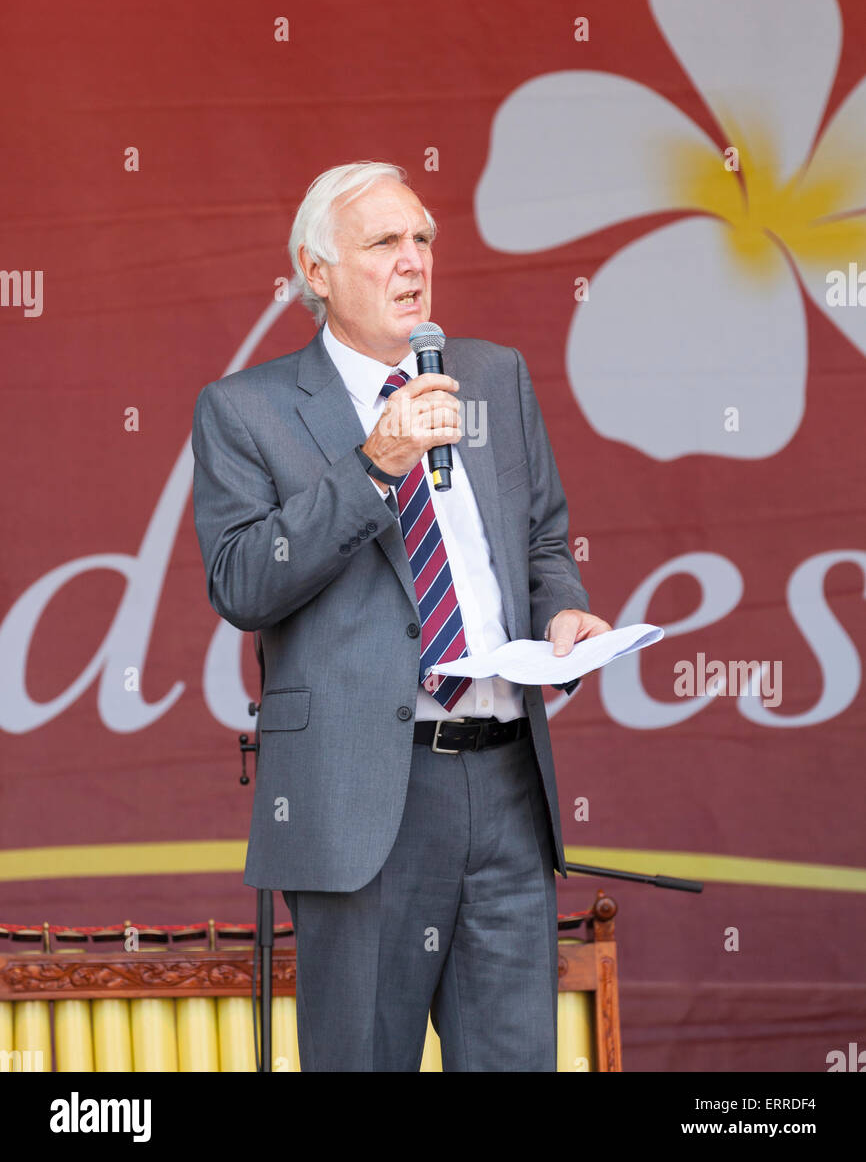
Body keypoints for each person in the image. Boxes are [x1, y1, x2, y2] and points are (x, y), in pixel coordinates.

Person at [191, 160, 611, 1071]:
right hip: (362, 797)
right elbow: (240, 584)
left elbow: (542, 542)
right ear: (316, 269)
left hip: (505, 787)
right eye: (383, 242)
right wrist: (374, 467)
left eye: (423, 238)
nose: (412, 260)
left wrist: (567, 614)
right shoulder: (247, 410)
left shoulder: (492, 375)